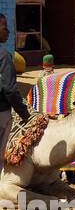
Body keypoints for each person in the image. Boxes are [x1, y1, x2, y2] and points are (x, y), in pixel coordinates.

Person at [0, 13, 31, 154]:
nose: (8, 31)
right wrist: (24, 114)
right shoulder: (4, 56)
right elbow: (10, 89)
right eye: (4, 27)